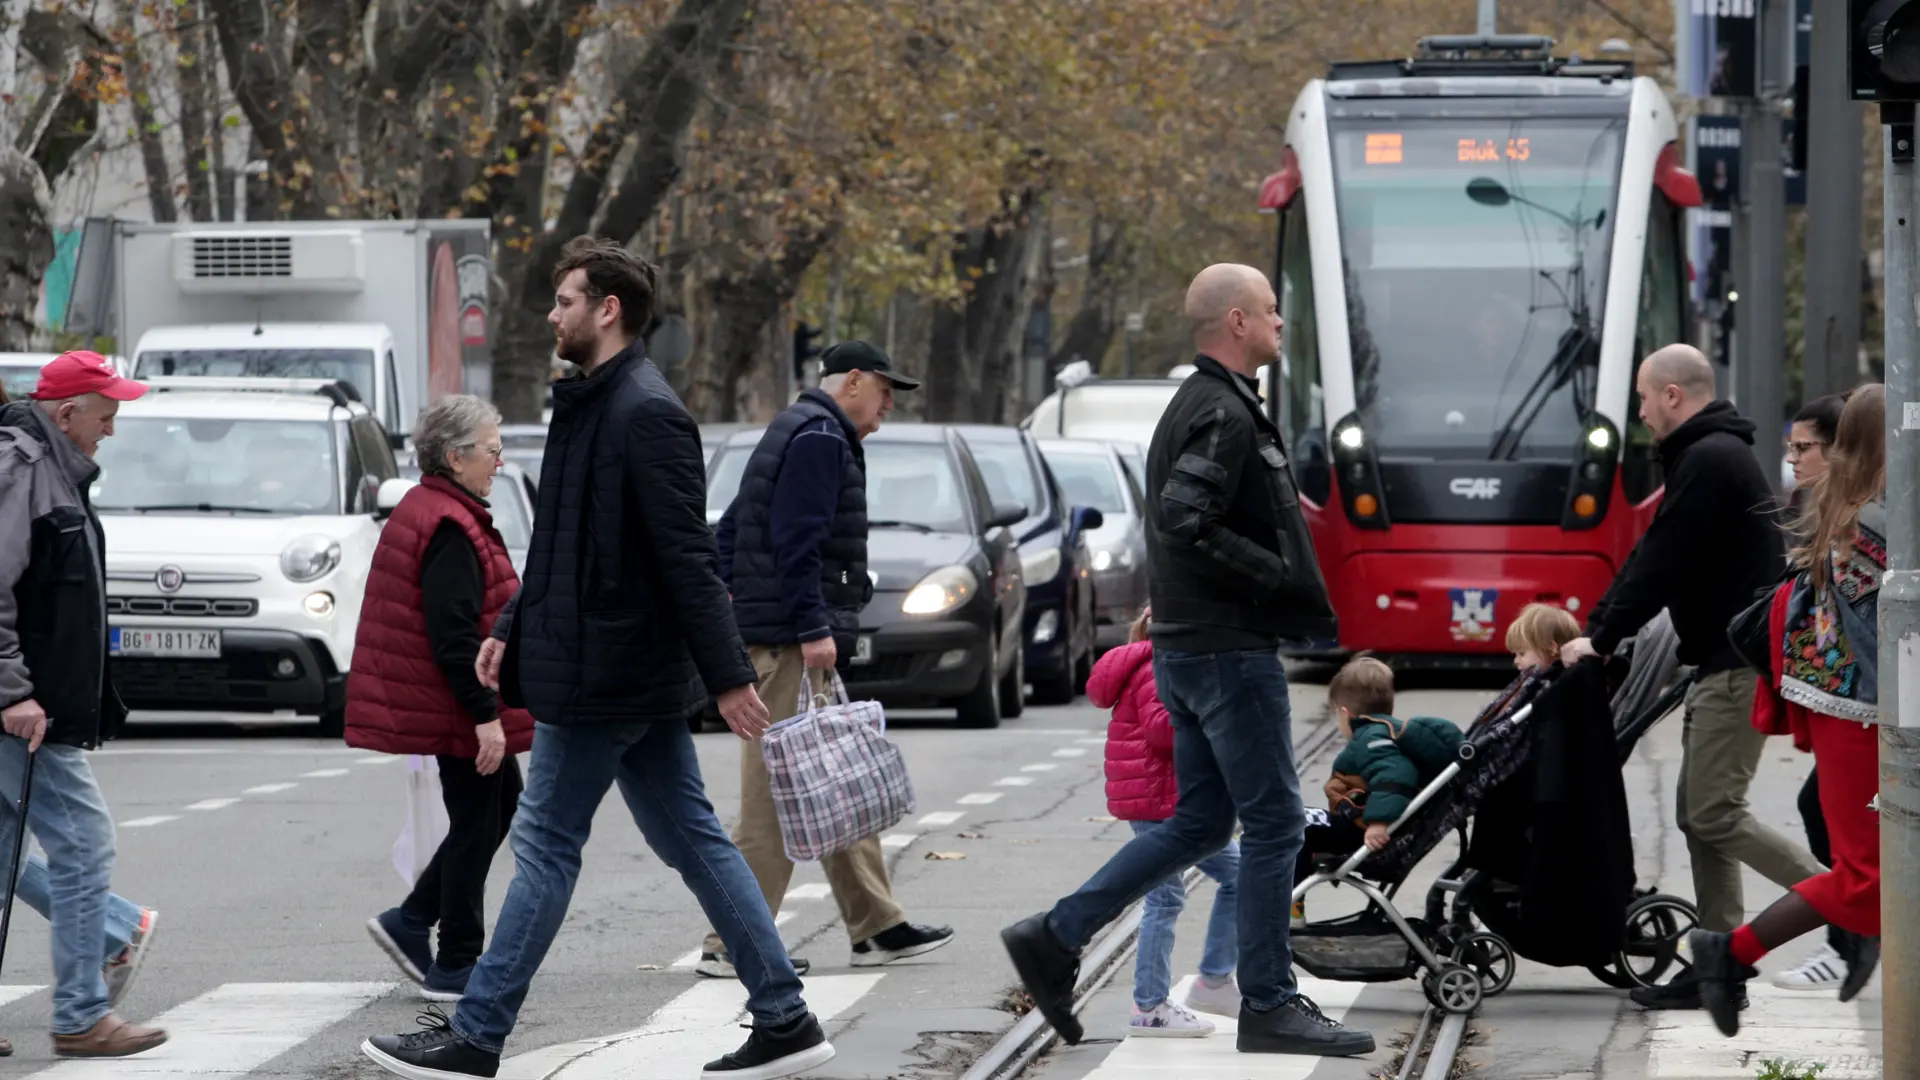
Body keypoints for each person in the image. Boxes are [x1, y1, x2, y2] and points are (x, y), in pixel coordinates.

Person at [362, 237, 833, 1080]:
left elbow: (687, 556)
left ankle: (478, 1034)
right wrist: (509, 619)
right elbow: (560, 543)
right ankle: (785, 1013)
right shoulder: (588, 402)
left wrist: (729, 677)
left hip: (608, 671)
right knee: (693, 839)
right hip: (606, 664)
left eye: (565, 300)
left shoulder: (645, 412)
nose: (552, 314)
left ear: (606, 310)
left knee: (543, 844)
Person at [999, 263, 1374, 1058]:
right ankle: (1269, 1003)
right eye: (1271, 311)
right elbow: (1186, 517)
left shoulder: (1198, 404)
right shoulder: (1223, 411)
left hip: (1188, 648)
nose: (1281, 323)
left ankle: (1055, 934)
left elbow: (1186, 518)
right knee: (1274, 826)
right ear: (1235, 322)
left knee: (1202, 821)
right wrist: (1273, 576)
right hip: (1227, 651)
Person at [1560, 344, 1823, 1012]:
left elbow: (1660, 561)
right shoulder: (1709, 457)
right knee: (1699, 814)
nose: (1642, 412)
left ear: (1674, 394)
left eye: (1646, 398)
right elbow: (1657, 555)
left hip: (1739, 664)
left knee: (1710, 810)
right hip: (1724, 659)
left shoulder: (1709, 460)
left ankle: (1848, 903)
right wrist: (1601, 629)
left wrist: (1600, 636)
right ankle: (1720, 959)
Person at [697, 340, 952, 977]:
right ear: (855, 381)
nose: (890, 403)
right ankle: (733, 944)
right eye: (887, 389)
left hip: (780, 633)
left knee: (834, 778)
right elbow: (795, 541)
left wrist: (735, 597)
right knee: (775, 799)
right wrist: (810, 626)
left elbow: (731, 529)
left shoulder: (796, 429)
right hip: (788, 642)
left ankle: (878, 927)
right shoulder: (819, 438)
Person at [1690, 384, 1886, 1036]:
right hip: (1856, 716)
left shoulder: (1865, 511)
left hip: (1860, 713)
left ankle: (1737, 953)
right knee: (1868, 880)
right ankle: (1731, 952)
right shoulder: (1872, 523)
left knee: (1876, 878)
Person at [0, 351, 168, 1058]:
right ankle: (79, 1013)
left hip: (31, 704)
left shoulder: (48, 466)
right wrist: (14, 692)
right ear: (66, 415)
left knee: (6, 856)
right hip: (23, 710)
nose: (111, 431)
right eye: (106, 416)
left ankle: (82, 1007)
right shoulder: (22, 471)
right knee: (83, 845)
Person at [349, 395, 535, 1002]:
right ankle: (455, 961)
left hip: (457, 701)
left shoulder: (441, 508)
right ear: (456, 457)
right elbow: (454, 635)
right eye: (492, 450)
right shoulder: (450, 524)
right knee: (480, 820)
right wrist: (485, 718)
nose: (499, 463)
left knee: (499, 806)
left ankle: (411, 921)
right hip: (459, 704)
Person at [1086, 605, 1240, 1038]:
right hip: (1157, 801)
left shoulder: (1160, 662)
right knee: (1165, 898)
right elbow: (1161, 729)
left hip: (1171, 800)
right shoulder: (1160, 666)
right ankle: (1150, 1006)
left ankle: (1213, 980)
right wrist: (1213, 713)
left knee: (1239, 873)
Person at [1774, 392, 1852, 992]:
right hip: (1850, 702)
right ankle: (1853, 940)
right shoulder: (1828, 510)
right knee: (1825, 811)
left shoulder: (1861, 516)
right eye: (1791, 447)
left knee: (1838, 819)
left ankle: (1851, 943)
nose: (1793, 459)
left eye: (1804, 447)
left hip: (1870, 708)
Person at [1297, 657, 1461, 890]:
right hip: (1362, 824)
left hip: (1361, 830)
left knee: (1291, 826)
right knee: (1295, 819)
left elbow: (1394, 773)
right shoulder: (1384, 733)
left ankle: (1289, 905)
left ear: (1345, 713)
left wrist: (1378, 822)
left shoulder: (1370, 738)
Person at [1507, 602, 1581, 675]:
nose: (1515, 661)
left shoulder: (1561, 685)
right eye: (1515, 655)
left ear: (1551, 648)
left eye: (1522, 653)